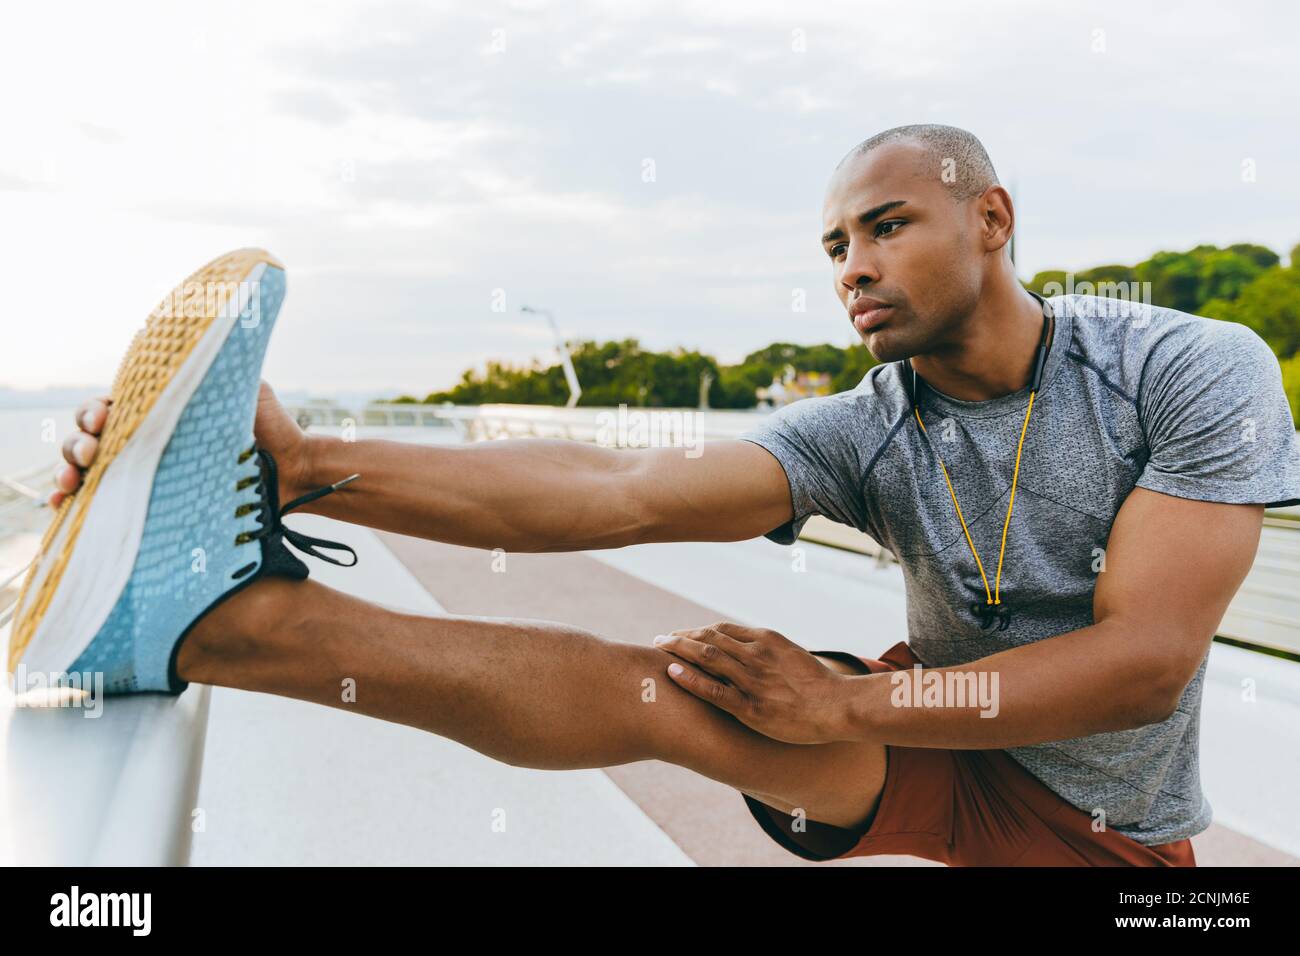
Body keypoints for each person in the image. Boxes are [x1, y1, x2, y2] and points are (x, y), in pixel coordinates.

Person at [14, 124, 1299, 866]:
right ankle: (223, 629)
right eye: (834, 245)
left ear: (993, 218)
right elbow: (609, 487)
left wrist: (848, 693)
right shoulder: (867, 423)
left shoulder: (1180, 369)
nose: (852, 265)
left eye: (887, 224)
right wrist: (310, 466)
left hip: (1114, 839)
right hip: (936, 743)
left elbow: (1141, 661)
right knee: (668, 692)